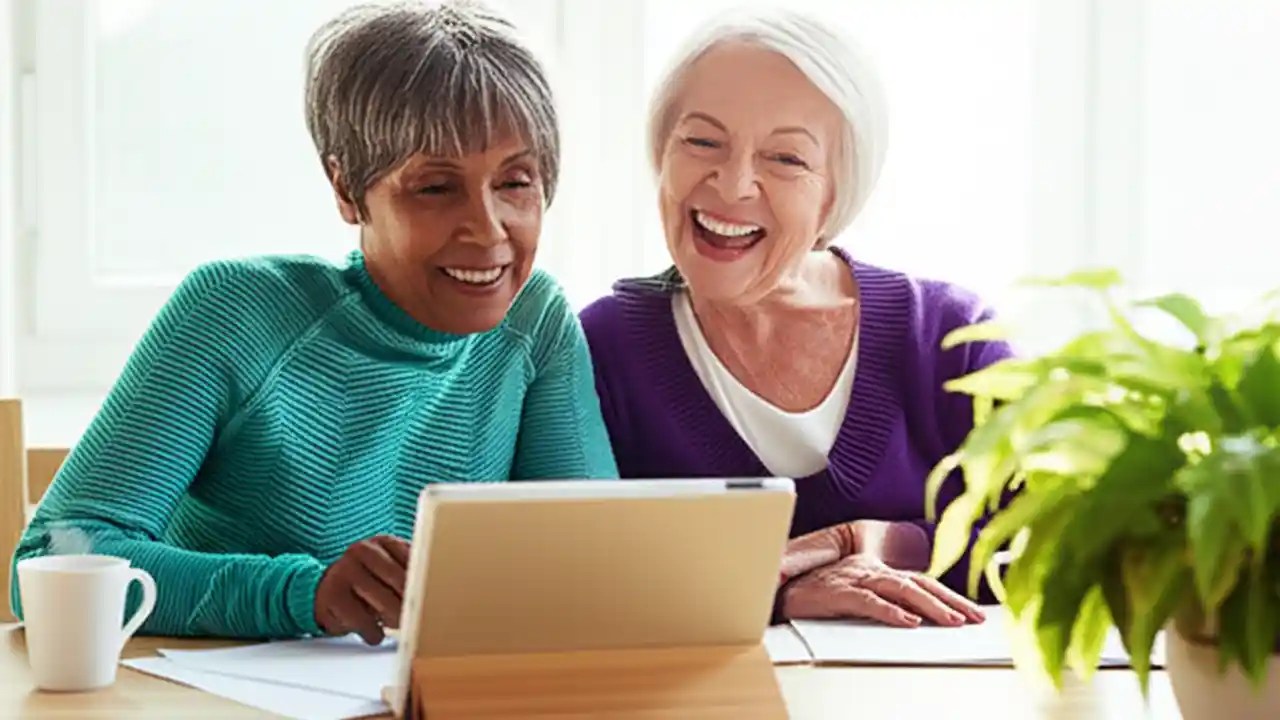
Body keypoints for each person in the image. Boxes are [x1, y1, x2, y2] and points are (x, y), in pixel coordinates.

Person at [11, 0, 617, 644]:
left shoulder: (535, 323)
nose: (489, 229)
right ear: (346, 188)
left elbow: (593, 568)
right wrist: (303, 594)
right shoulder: (235, 311)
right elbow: (50, 564)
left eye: (516, 183)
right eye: (436, 188)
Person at [580, 7, 1012, 628]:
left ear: (838, 193)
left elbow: (1079, 535)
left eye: (786, 159)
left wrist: (865, 542)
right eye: (702, 141)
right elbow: (583, 581)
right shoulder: (600, 352)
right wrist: (776, 595)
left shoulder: (953, 339)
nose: (731, 185)